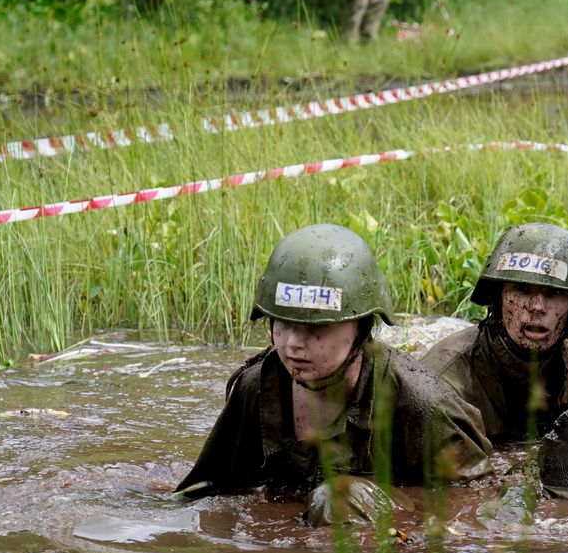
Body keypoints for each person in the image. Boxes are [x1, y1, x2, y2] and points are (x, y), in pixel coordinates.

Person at [175, 224, 492, 524]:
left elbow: (473, 501)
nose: (294, 345)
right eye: (283, 325)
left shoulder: (422, 402)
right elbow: (212, 485)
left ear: (360, 327)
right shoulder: (258, 386)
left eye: (316, 328)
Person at [422, 222, 568, 443]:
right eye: (522, 290)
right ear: (497, 298)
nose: (537, 306)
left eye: (554, 293)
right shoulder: (445, 381)